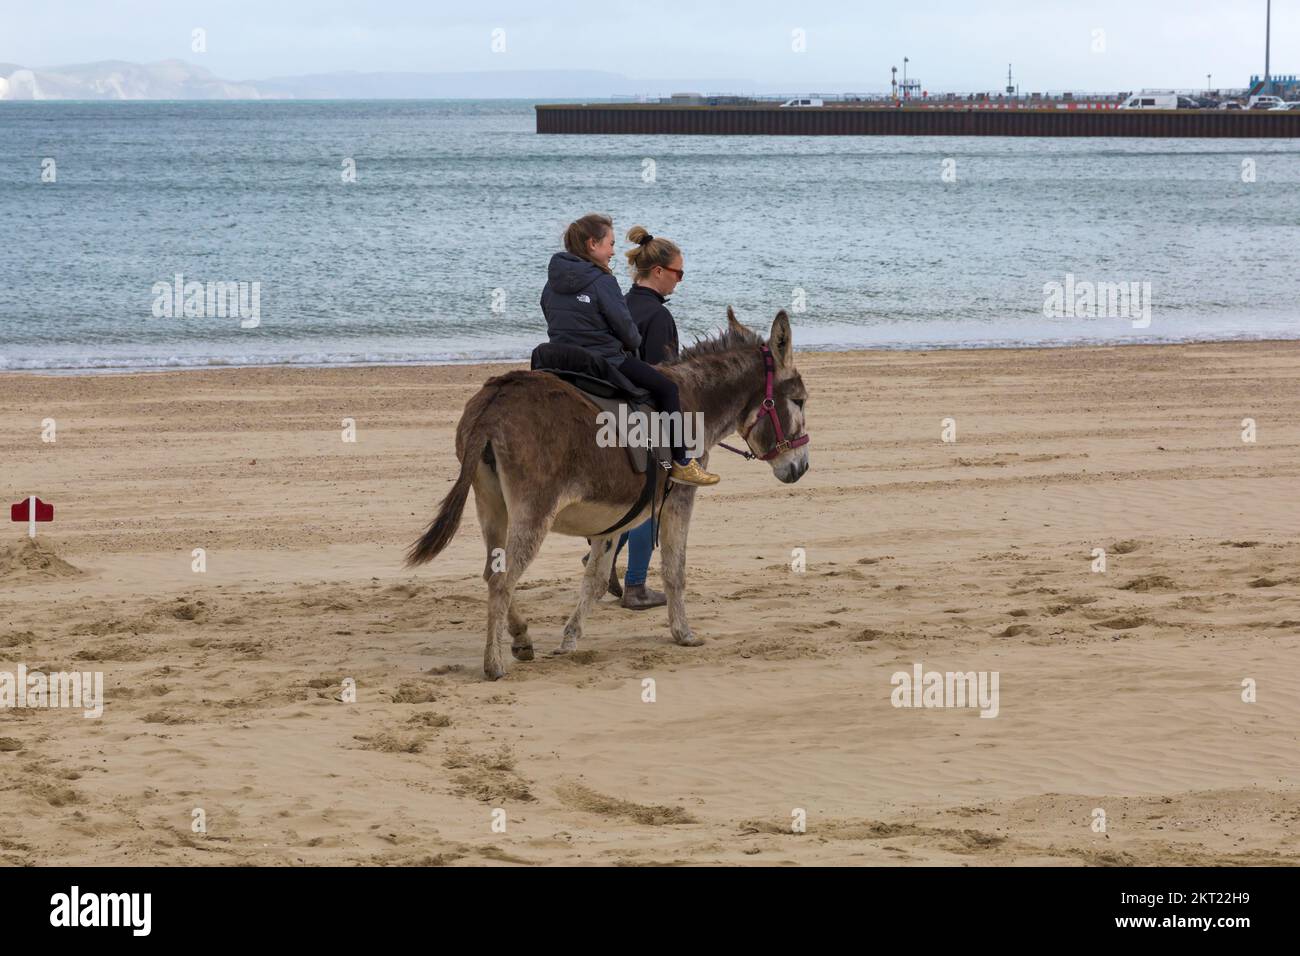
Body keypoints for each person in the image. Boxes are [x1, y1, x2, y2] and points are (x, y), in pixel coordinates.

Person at [540, 213, 719, 488]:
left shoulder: (552, 282)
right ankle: (682, 461)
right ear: (592, 244)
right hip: (603, 361)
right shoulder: (602, 281)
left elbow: (550, 314)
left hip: (559, 360)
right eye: (610, 244)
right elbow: (627, 332)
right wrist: (628, 341)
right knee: (668, 388)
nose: (613, 252)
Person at [608, 225, 687, 609]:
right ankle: (636, 586)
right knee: (652, 500)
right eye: (678, 274)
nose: (679, 281)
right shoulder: (658, 317)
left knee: (627, 501)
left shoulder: (621, 306)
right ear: (657, 272)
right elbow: (664, 376)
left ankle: (598, 559)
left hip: (610, 410)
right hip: (645, 418)